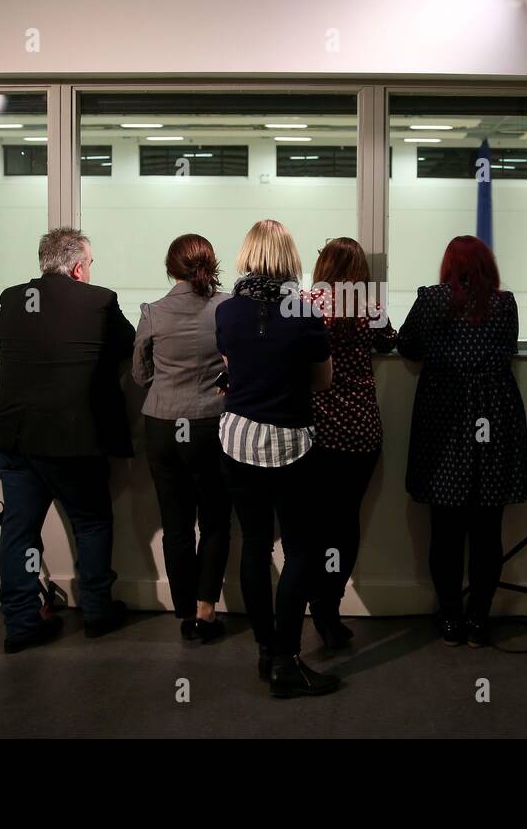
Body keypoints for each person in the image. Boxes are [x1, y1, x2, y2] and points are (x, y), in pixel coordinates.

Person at [0, 227, 135, 653]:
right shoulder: (99, 300)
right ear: (79, 266)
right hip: (74, 438)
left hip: (15, 436)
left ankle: (20, 624)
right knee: (91, 521)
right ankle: (98, 612)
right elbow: (129, 345)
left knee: (18, 530)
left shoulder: (13, 298)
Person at [215, 219, 338, 697]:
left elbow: (233, 368)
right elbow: (322, 381)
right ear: (290, 260)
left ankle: (266, 650)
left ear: (247, 256)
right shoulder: (305, 313)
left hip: (237, 439)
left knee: (255, 544)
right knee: (302, 551)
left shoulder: (227, 312)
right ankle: (287, 662)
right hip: (292, 443)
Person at [398, 236, 527, 648]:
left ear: (448, 265)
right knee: (488, 528)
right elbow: (508, 349)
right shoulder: (504, 303)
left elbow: (408, 345)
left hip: (445, 414)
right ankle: (478, 621)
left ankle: (451, 618)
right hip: (495, 413)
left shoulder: (433, 299)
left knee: (446, 527)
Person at [131, 234, 231, 643]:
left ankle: (185, 613)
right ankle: (206, 612)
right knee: (216, 523)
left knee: (176, 526)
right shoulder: (227, 308)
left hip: (163, 424)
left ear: (171, 268)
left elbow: (140, 375)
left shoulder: (153, 312)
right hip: (211, 424)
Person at [303, 237, 396, 649]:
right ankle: (330, 605)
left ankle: (314, 601)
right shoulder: (369, 306)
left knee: (316, 522)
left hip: (316, 430)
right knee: (345, 521)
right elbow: (389, 341)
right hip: (360, 430)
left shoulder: (308, 301)